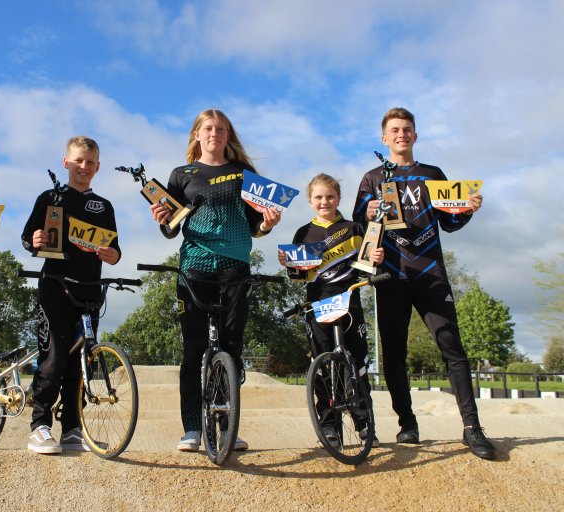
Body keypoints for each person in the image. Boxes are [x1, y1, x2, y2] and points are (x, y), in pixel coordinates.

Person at [352, 107, 496, 460]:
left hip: (430, 274)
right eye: (395, 130)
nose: (402, 135)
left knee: (452, 349)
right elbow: (359, 228)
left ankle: (472, 428)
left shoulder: (433, 175)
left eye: (408, 129)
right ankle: (407, 424)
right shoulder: (372, 178)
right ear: (384, 138)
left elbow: (449, 224)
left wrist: (467, 212)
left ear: (415, 135)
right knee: (395, 354)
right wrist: (366, 215)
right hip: (391, 276)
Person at [150, 108, 281, 452]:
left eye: (220, 129)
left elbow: (257, 225)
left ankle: (227, 426)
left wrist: (268, 223)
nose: (214, 133)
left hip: (235, 265)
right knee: (194, 350)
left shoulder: (244, 173)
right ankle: (192, 428)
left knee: (232, 348)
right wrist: (163, 220)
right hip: (194, 266)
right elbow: (170, 228)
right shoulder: (181, 174)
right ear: (196, 134)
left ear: (228, 135)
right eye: (208, 128)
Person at [21, 136, 121, 454]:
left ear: (98, 167)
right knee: (53, 358)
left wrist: (111, 255)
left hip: (90, 293)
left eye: (90, 162)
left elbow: (116, 252)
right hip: (54, 287)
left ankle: (73, 428)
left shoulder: (104, 206)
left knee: (80, 363)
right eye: (78, 160)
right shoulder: (49, 198)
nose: (84, 167)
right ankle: (40, 427)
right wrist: (35, 240)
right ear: (66, 162)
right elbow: (28, 238)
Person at [278, 173, 384, 447]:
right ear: (310, 200)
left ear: (338, 198)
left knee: (357, 366)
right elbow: (298, 276)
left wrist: (375, 258)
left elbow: (369, 264)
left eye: (330, 196)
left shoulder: (355, 227)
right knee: (323, 367)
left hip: (350, 301)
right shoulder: (303, 233)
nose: (325, 201)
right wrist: (288, 263)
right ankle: (329, 426)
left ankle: (364, 423)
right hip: (317, 304)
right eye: (319, 197)